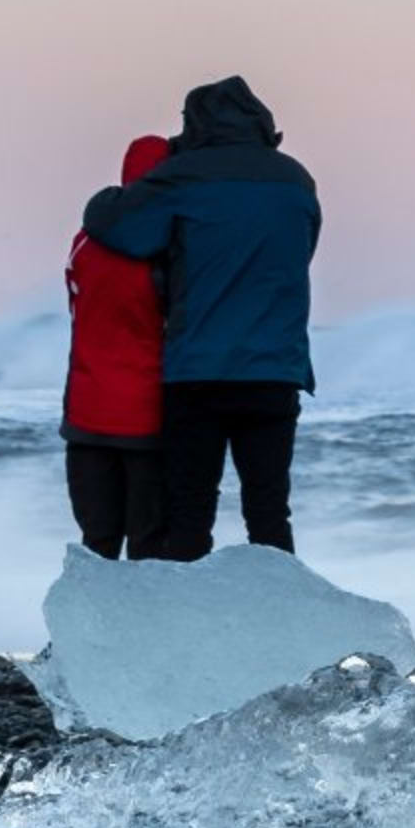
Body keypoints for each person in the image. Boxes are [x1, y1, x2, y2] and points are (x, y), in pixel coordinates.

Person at [81, 75, 320, 559]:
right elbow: (302, 251)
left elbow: (122, 227)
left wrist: (107, 195)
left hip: (199, 371)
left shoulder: (187, 174)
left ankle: (180, 629)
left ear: (197, 124)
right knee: (270, 511)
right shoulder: (296, 179)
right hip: (276, 371)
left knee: (190, 512)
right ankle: (284, 622)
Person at [61, 133, 175, 558]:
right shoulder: (169, 244)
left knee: (98, 541)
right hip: (148, 414)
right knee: (149, 545)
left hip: (87, 410)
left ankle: (89, 624)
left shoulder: (86, 239)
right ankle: (143, 626)